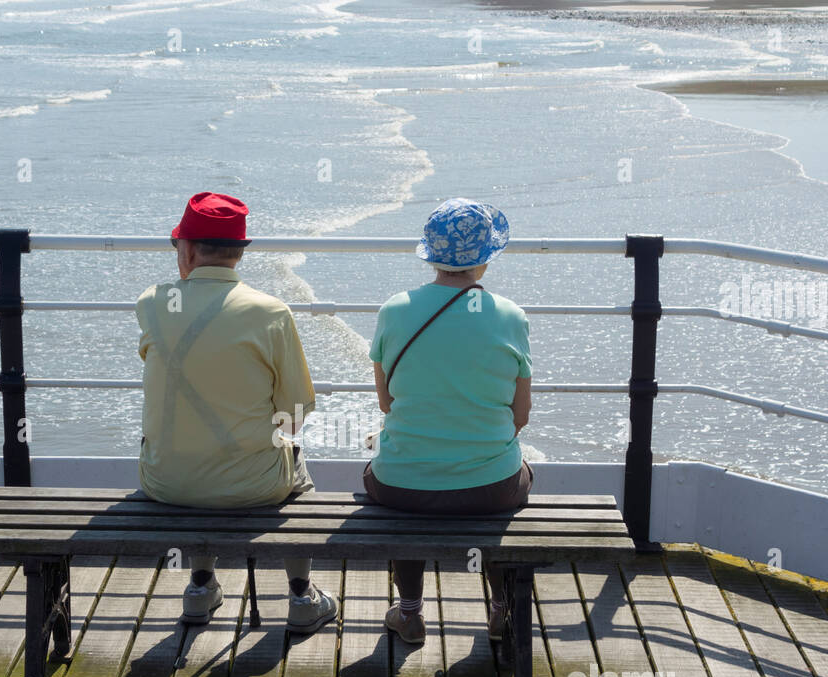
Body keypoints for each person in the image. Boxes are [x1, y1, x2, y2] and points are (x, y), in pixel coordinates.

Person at [135, 191, 338, 633]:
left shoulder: (152, 301)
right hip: (255, 486)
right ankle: (302, 596)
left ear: (187, 249)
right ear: (239, 254)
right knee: (294, 465)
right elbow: (296, 411)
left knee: (196, 445)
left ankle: (200, 587)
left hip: (165, 481)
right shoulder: (271, 312)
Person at [363, 198, 533, 645]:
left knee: (401, 487)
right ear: (486, 258)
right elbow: (521, 416)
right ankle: (500, 611)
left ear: (431, 252)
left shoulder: (394, 309)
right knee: (511, 478)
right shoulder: (510, 315)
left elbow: (386, 403)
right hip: (489, 489)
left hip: (402, 486)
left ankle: (411, 613)